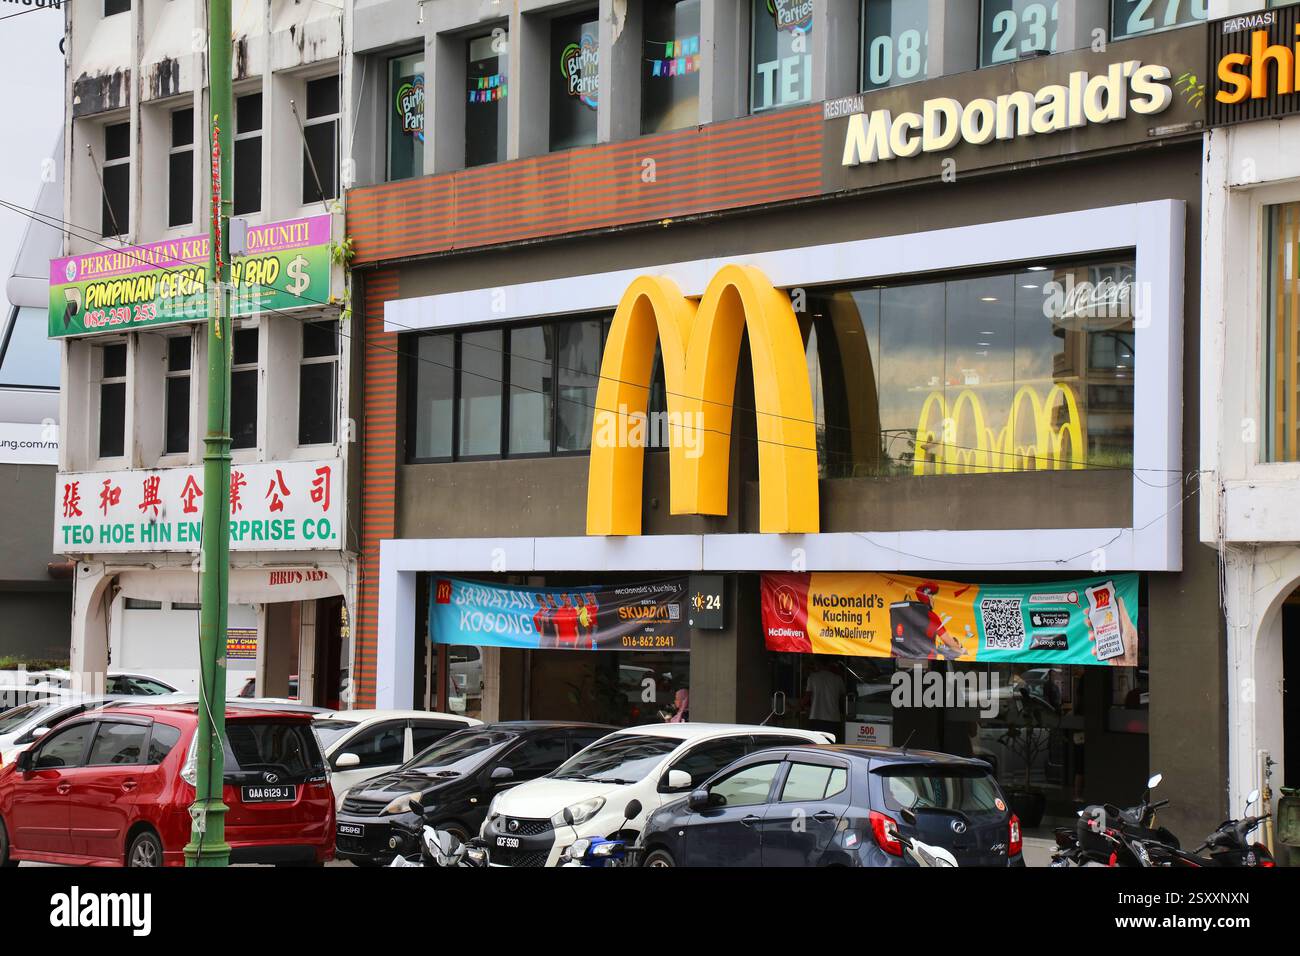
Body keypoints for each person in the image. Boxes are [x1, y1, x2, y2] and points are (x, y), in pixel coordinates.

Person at [802, 657, 845, 743]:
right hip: (834, 718)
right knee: (832, 745)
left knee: (816, 745)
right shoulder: (838, 679)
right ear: (829, 664)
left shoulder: (812, 677)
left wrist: (800, 706)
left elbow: (807, 697)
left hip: (816, 717)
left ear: (818, 664)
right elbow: (843, 696)